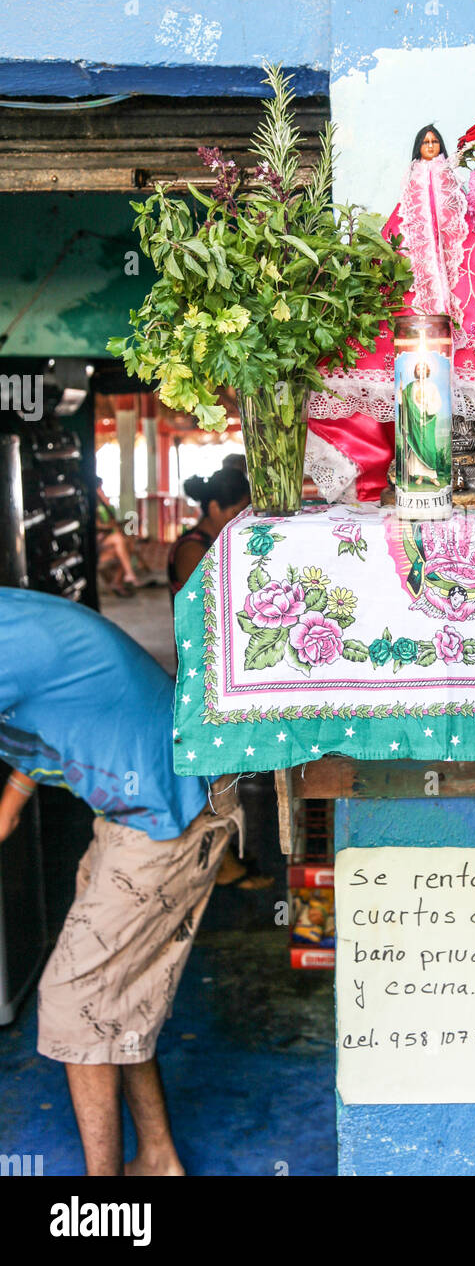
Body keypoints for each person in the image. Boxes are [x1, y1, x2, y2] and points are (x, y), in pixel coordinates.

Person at [0, 587, 242, 1176]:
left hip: (167, 817)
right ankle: (158, 1160)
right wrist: (11, 805)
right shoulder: (16, 618)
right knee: (115, 1000)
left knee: (72, 1004)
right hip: (147, 808)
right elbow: (47, 717)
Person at [305, 123, 475, 502]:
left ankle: (464, 452)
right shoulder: (407, 200)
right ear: (417, 148)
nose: (429, 148)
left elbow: (472, 251)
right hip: (412, 294)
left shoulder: (457, 200)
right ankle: (419, 459)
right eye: (424, 143)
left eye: (434, 143)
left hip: (466, 279)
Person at [168, 459, 271, 892]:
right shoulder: (192, 547)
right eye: (233, 512)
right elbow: (213, 604)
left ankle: (227, 854)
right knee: (214, 768)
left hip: (222, 665)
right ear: (212, 506)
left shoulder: (219, 539)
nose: (238, 520)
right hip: (202, 672)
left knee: (226, 766)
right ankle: (220, 861)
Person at [167, 463, 250, 600]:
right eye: (236, 513)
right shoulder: (192, 550)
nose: (242, 520)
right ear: (215, 508)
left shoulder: (217, 542)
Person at [95, 478, 140, 596]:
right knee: (118, 539)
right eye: (99, 488)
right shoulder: (92, 506)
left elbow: (112, 522)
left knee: (127, 546)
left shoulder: (104, 505)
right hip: (97, 546)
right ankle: (129, 573)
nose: (101, 490)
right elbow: (99, 525)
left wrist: (106, 504)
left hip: (106, 544)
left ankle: (117, 582)